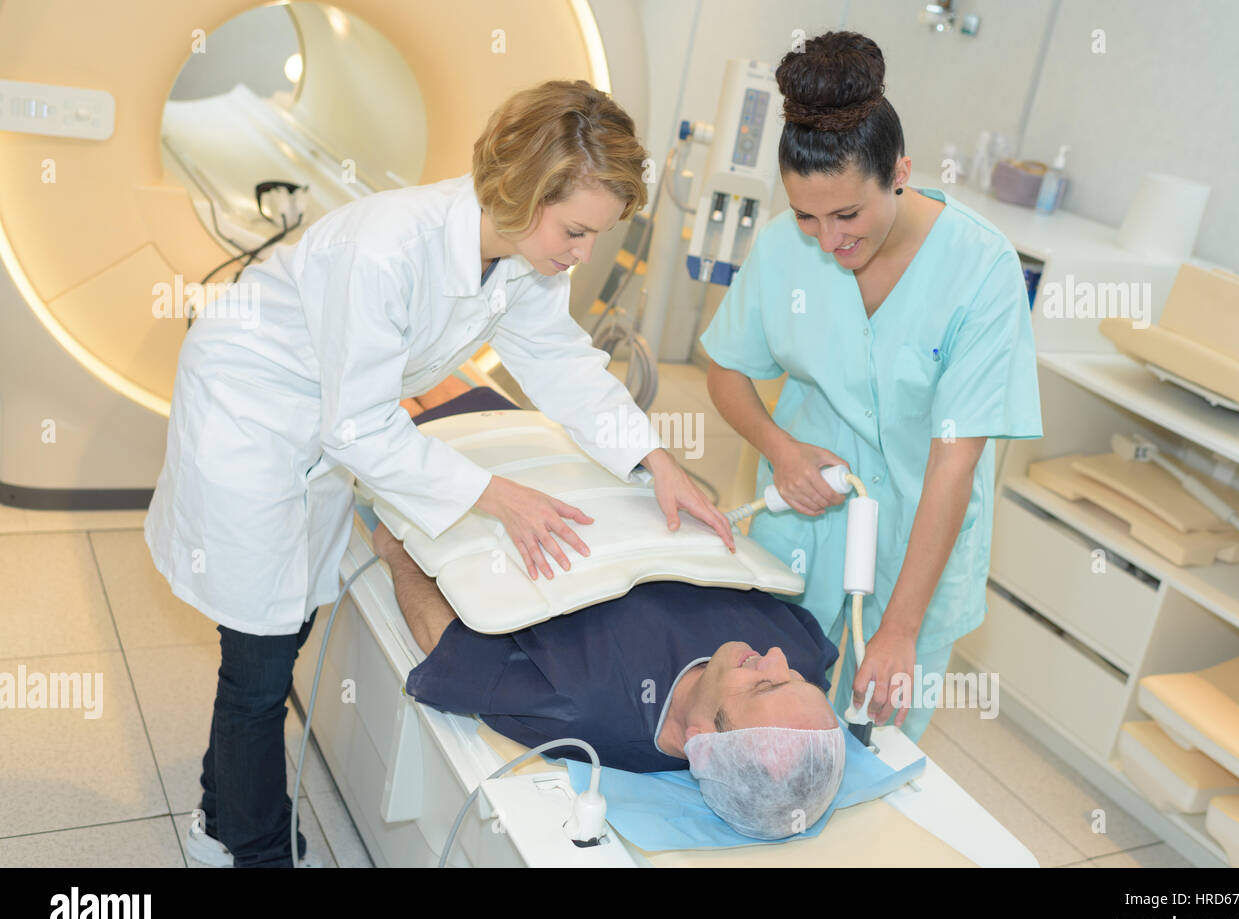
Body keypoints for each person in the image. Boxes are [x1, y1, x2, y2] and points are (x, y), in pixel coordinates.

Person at [145, 79, 733, 868]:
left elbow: (558, 362)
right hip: (250, 414)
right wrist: (498, 498)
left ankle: (222, 818)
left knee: (285, 629)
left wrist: (653, 458)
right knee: (258, 653)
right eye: (576, 229)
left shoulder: (524, 258)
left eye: (595, 233)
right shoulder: (387, 247)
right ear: (523, 193)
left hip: (323, 427)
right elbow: (357, 422)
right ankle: (252, 849)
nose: (584, 252)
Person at [700, 32, 1042, 742]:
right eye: (806, 216)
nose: (827, 241)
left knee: (873, 751)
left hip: (919, 548)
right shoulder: (779, 247)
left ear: (900, 173)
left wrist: (900, 628)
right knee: (768, 741)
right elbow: (726, 368)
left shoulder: (980, 271)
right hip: (803, 529)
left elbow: (955, 457)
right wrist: (780, 446)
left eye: (848, 215)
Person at [371, 520, 845, 840]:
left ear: (702, 741)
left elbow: (447, 643)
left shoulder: (577, 701)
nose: (777, 658)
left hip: (483, 505)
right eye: (796, 679)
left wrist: (396, 552)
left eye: (764, 685)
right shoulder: (800, 653)